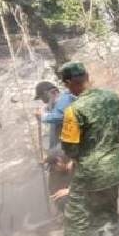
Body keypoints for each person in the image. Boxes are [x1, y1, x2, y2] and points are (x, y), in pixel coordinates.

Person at [56, 61, 119, 236]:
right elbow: (118, 128)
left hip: (91, 171)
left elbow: (70, 148)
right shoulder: (112, 97)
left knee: (75, 217)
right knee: (105, 212)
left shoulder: (74, 111)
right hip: (114, 165)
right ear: (87, 75)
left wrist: (69, 162)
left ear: (68, 83)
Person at [35, 80, 75, 209]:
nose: (43, 101)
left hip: (69, 156)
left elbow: (61, 116)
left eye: (43, 97)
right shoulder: (53, 107)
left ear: (53, 92)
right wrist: (49, 156)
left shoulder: (65, 99)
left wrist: (43, 116)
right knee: (55, 190)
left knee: (64, 192)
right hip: (59, 156)